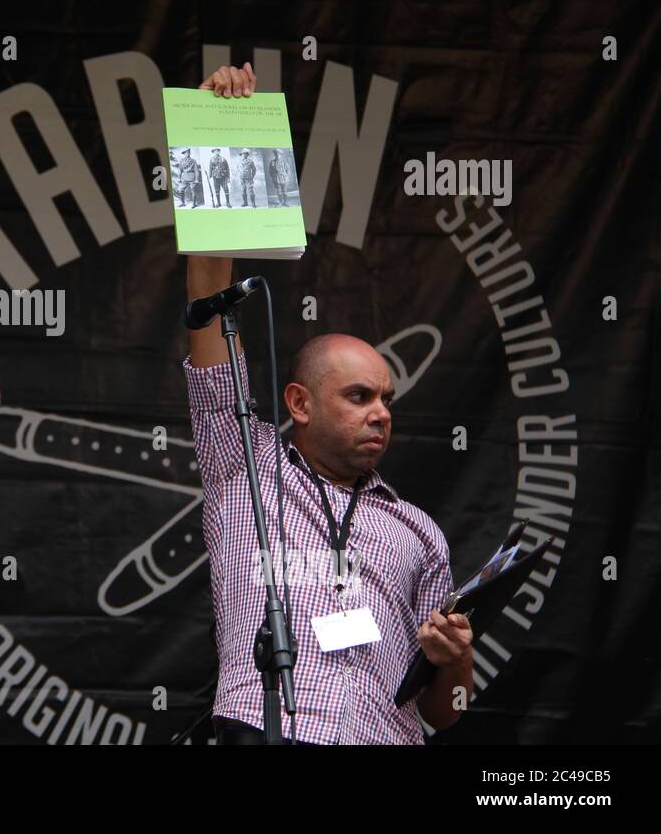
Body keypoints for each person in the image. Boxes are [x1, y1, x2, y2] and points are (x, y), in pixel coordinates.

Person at [185, 65, 472, 746]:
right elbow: (207, 312)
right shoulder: (245, 471)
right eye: (359, 395)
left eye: (387, 400)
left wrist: (454, 655)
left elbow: (445, 711)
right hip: (265, 731)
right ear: (299, 403)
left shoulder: (418, 531)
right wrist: (222, 132)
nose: (381, 412)